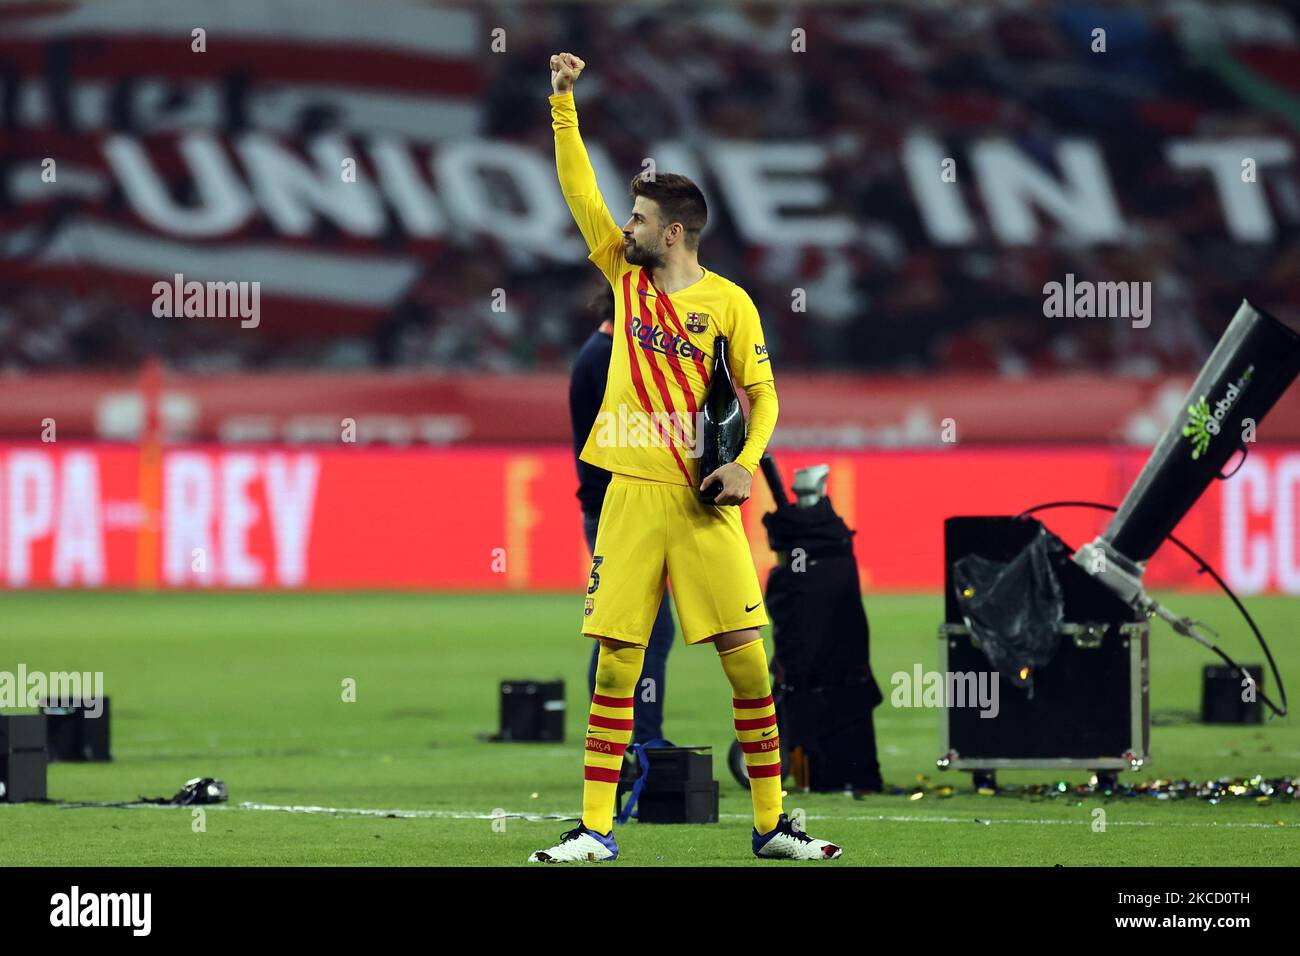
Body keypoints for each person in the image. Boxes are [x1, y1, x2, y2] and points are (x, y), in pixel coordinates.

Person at [530, 52, 842, 862]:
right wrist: (563, 102)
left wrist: (748, 462)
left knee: (748, 668)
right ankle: (595, 831)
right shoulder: (623, 279)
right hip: (630, 498)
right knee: (614, 671)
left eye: (636, 220)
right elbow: (575, 190)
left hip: (706, 506)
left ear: (672, 232)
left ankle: (772, 826)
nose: (622, 228)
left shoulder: (729, 303)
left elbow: (762, 396)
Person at [569, 287, 675, 747]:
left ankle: (615, 740)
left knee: (623, 629)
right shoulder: (608, 359)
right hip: (619, 510)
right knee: (644, 630)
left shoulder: (599, 354)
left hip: (613, 507)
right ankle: (638, 743)